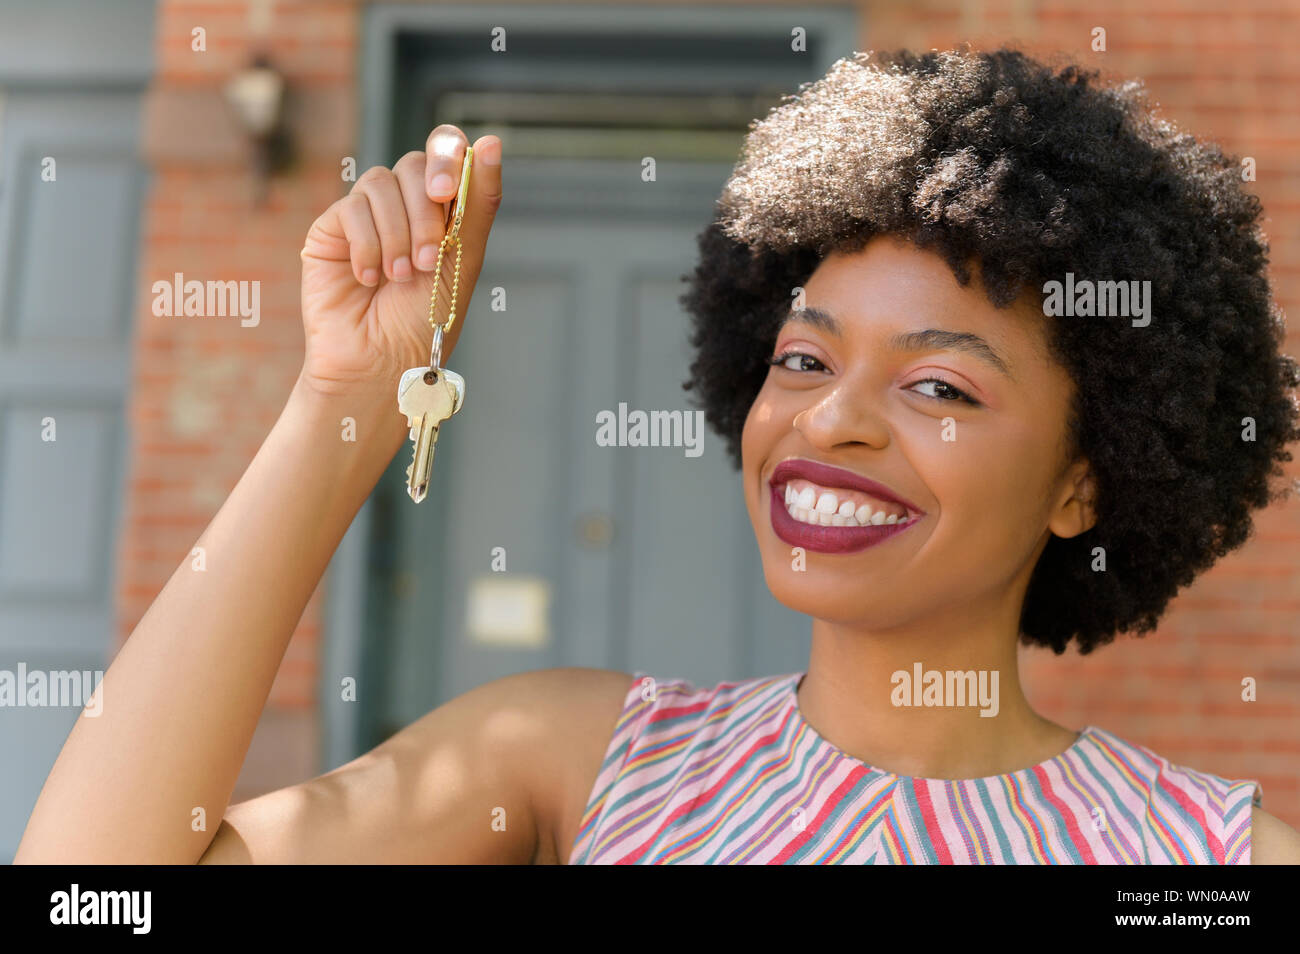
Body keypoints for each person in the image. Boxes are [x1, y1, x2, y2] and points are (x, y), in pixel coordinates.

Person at [17, 47, 1300, 864]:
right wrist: (349, 401)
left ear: (1088, 476)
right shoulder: (572, 760)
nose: (831, 418)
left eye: (936, 382)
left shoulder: (1201, 861)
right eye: (802, 358)